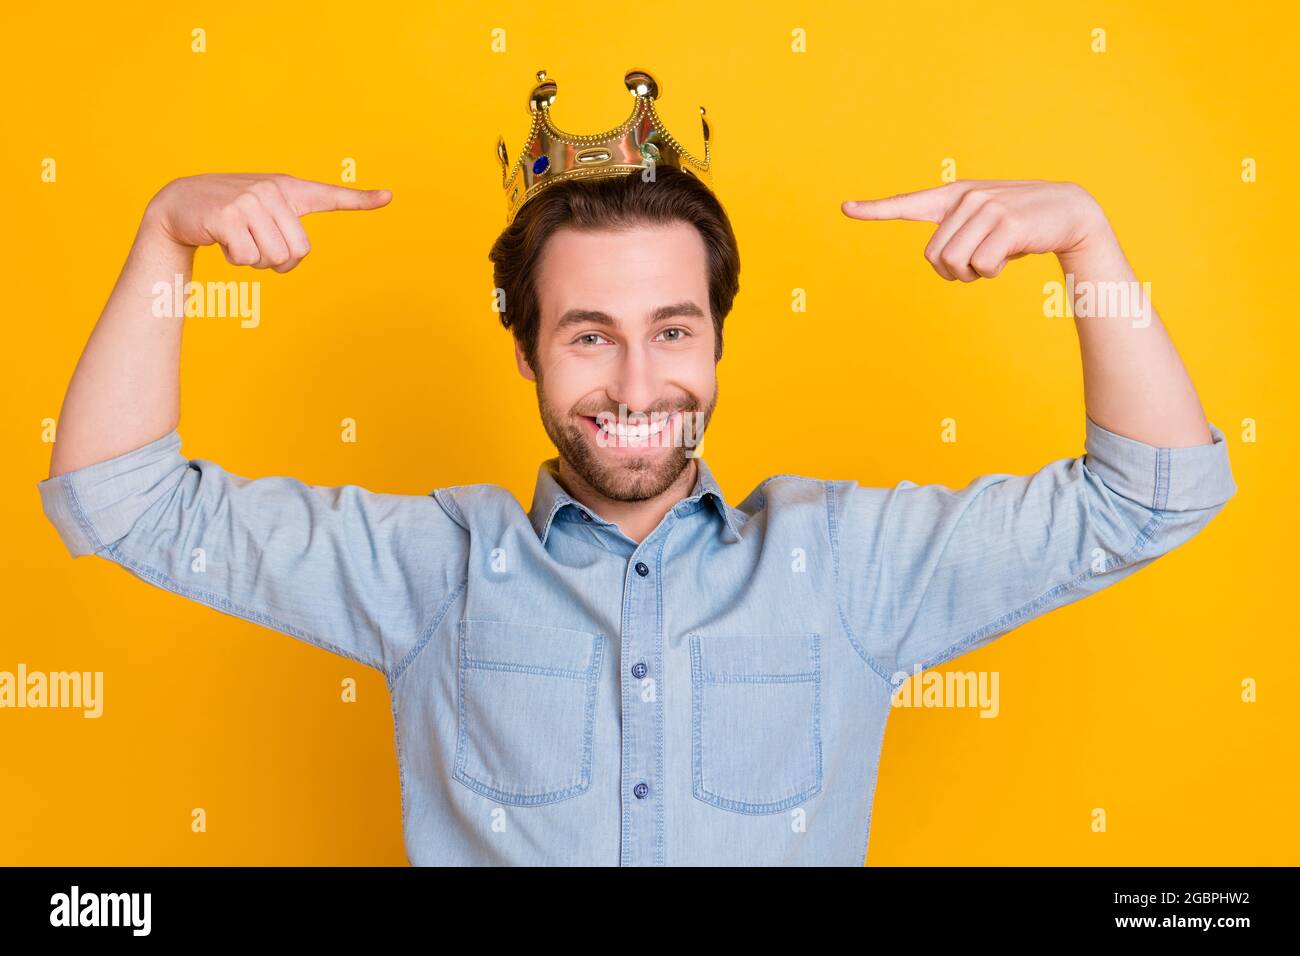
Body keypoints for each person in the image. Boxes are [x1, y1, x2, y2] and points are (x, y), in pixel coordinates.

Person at [37, 70, 1236, 866]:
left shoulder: (850, 566)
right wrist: (164, 235)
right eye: (586, 334)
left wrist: (1087, 235)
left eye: (672, 329)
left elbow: (1151, 495)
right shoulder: (430, 572)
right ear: (524, 350)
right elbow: (121, 500)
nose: (634, 385)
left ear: (715, 339)